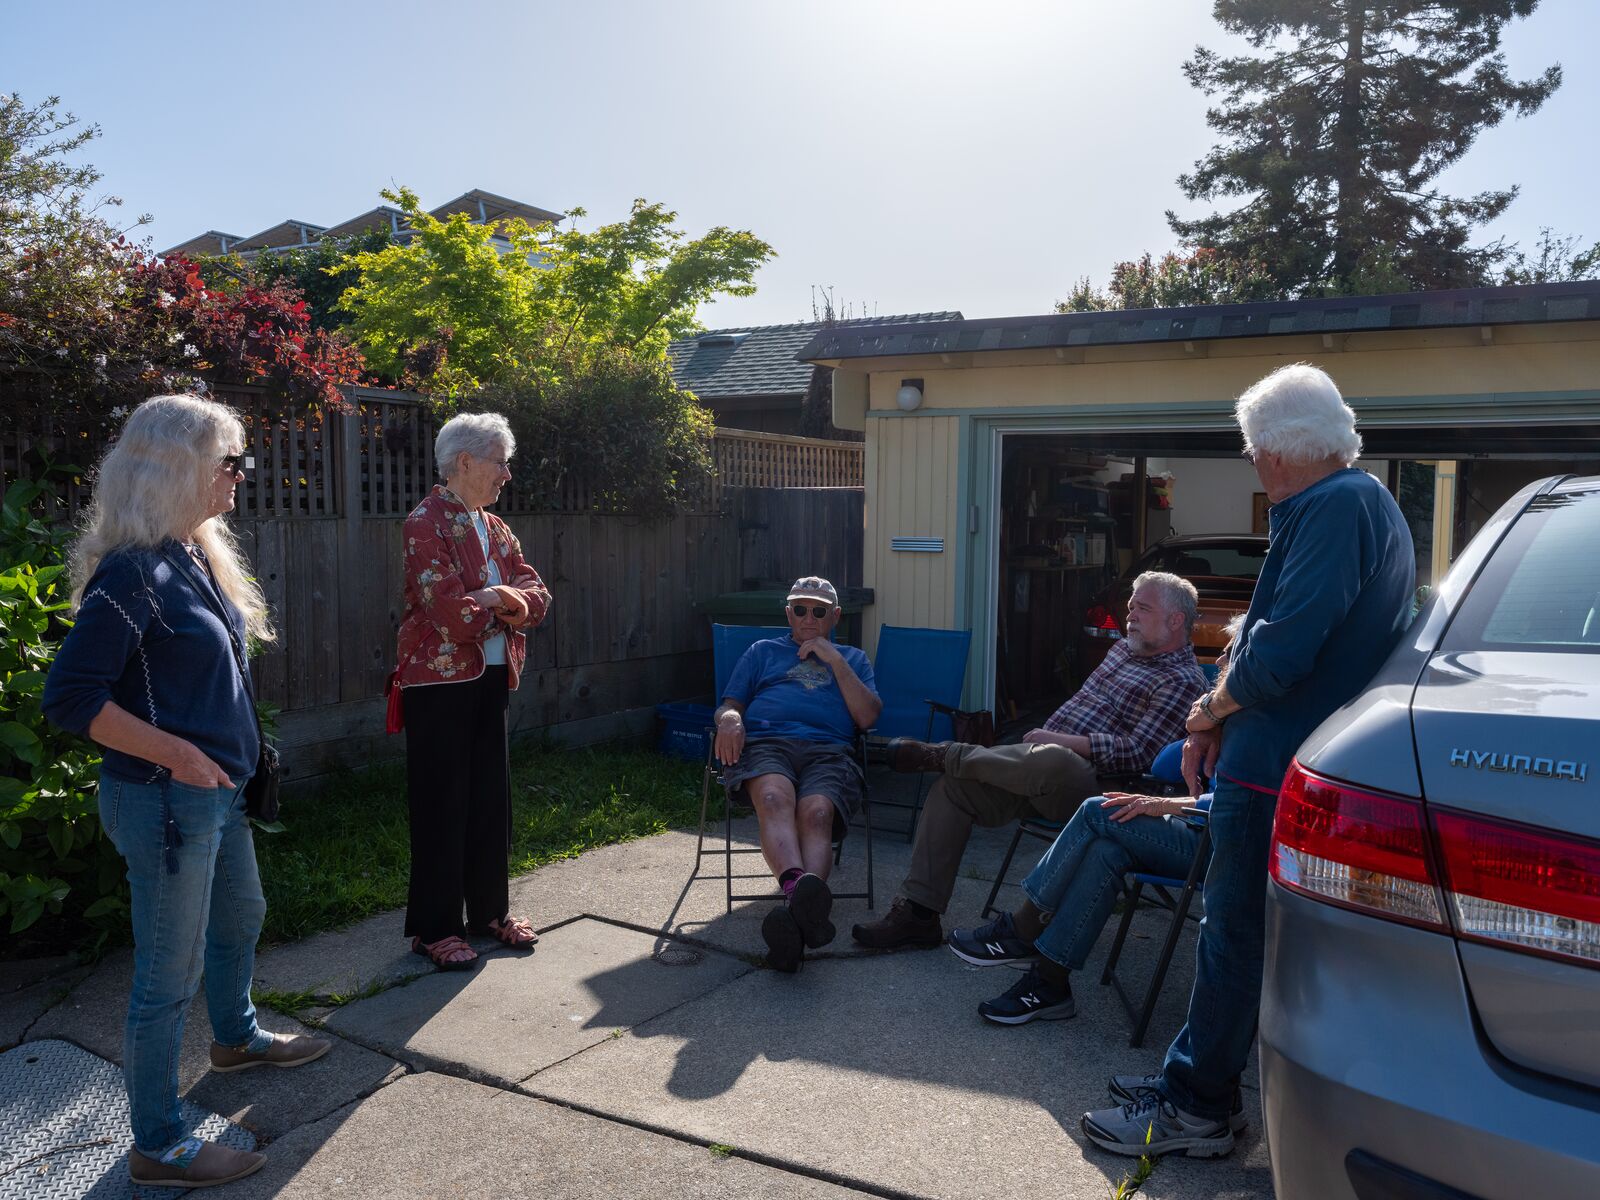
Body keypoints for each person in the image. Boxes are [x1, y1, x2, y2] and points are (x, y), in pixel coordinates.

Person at [1081, 363, 1415, 1160]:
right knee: (1229, 934)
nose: (1253, 464)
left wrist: (1206, 709)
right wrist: (1215, 725)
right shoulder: (1348, 502)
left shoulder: (1335, 505)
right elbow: (1259, 636)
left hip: (1276, 770)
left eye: (1252, 450)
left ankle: (1196, 1108)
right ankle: (1198, 1085)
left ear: (1275, 449)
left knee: (1232, 935)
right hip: (1265, 754)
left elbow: (1280, 650)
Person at [42, 394, 331, 1190]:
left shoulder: (191, 553)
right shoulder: (133, 573)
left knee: (242, 916)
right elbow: (70, 698)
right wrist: (178, 754)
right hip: (166, 803)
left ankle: (234, 1038)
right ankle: (159, 1145)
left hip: (216, 795)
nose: (240, 477)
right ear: (178, 470)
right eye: (228, 463)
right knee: (165, 981)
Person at [851, 572, 1208, 950]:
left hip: (1100, 790)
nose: (1130, 614)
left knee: (1054, 759)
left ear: (1175, 621)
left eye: (1143, 608)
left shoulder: (1182, 680)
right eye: (1131, 606)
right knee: (955, 788)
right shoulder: (1122, 651)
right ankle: (919, 915)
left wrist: (1061, 740)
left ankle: (946, 754)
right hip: (1034, 769)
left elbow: (1139, 753)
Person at [392, 412, 553, 971]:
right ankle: (433, 928)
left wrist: (496, 598)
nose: (505, 474)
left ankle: (489, 912)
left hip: (490, 675)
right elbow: (450, 614)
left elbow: (538, 594)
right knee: (442, 802)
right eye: (499, 462)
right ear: (465, 461)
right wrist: (503, 607)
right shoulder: (424, 522)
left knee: (490, 798)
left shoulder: (495, 526)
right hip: (436, 683)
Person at [714, 576, 882, 973]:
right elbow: (728, 704)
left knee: (817, 814)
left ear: (835, 616)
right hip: (768, 744)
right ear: (789, 613)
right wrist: (732, 718)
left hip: (830, 751)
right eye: (800, 609)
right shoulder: (762, 652)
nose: (808, 617)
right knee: (774, 798)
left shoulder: (854, 659)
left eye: (819, 610)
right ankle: (801, 898)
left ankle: (794, 918)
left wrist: (834, 659)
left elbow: (867, 717)